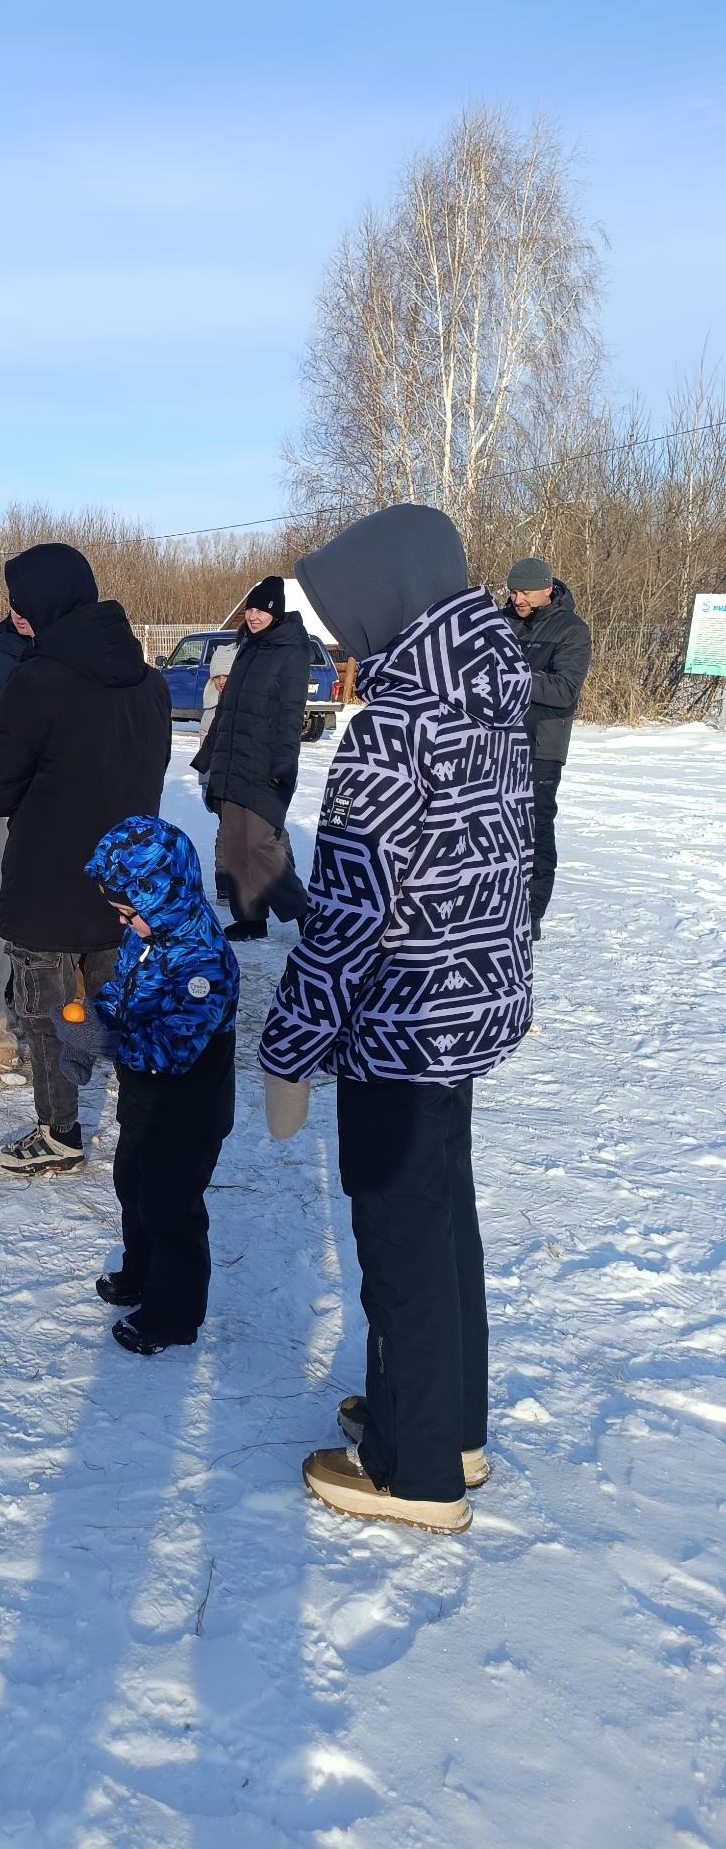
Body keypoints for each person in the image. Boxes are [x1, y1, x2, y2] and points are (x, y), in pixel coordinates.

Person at [258, 503, 533, 1535]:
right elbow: (515, 859)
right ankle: (448, 1419)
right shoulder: (489, 698)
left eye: (341, 615)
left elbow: (341, 926)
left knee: (401, 1239)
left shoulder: (397, 730)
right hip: (463, 1013)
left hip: (400, 1025)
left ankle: (416, 1472)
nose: (334, 637)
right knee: (443, 1219)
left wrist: (289, 1052)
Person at [0, 543, 171, 1176]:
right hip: (124, 882)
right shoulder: (152, 682)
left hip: (50, 886)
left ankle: (59, 1134)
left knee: (48, 1015)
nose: (15, 614)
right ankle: (144, 1119)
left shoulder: (39, 681)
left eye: (20, 602)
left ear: (44, 603)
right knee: (115, 1004)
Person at [67, 815, 238, 1354]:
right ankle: (140, 1274)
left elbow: (176, 1047)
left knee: (171, 1209)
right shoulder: (150, 935)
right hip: (146, 1101)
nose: (123, 923)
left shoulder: (201, 959)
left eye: (127, 912)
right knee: (133, 1188)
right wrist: (97, 1014)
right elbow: (125, 988)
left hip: (188, 1108)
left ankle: (174, 1312)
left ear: (160, 895)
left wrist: (108, 1043)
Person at [191, 575, 311, 937]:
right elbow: (226, 709)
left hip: (264, 766)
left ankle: (306, 914)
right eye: (250, 609)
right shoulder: (247, 646)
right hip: (231, 763)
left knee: (261, 844)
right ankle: (251, 918)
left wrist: (284, 767)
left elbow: (291, 715)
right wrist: (208, 757)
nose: (253, 616)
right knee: (235, 844)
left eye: (260, 610)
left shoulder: (292, 651)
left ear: (276, 613)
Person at [502, 558, 592, 939]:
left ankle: (531, 913)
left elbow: (564, 690)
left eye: (524, 592)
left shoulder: (571, 630)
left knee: (534, 829)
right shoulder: (499, 622)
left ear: (546, 590)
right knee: (493, 829)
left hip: (541, 746)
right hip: (495, 743)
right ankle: (493, 903)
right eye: (512, 591)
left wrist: (513, 678)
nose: (516, 598)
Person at [194, 635, 238, 750]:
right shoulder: (211, 706)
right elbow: (205, 737)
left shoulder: (245, 705)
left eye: (226, 676)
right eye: (217, 677)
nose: (221, 681)